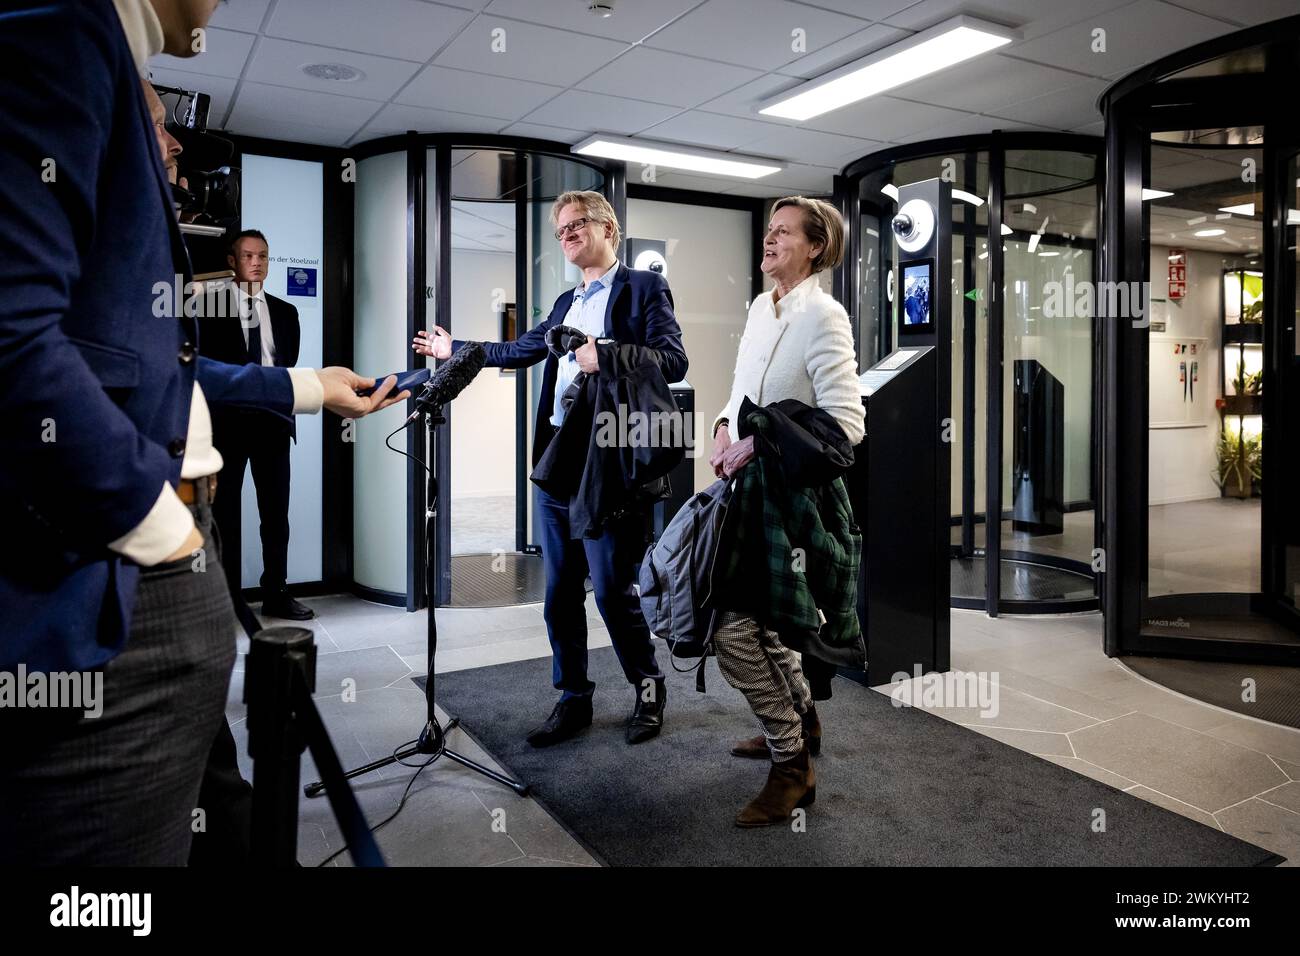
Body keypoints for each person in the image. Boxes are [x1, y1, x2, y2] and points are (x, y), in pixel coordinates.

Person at [0, 0, 407, 865]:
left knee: (214, 805)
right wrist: (166, 531)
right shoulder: (60, 25)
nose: (176, 145)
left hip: (173, 542)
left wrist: (308, 386)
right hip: (116, 568)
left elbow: (156, 371)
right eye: (155, 121)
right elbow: (11, 341)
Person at [413, 191, 688, 748]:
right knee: (560, 591)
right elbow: (520, 350)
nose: (565, 235)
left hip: (610, 459)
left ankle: (649, 687)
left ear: (608, 228)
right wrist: (455, 349)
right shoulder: (564, 302)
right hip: (559, 458)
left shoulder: (643, 289)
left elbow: (674, 360)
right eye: (560, 229)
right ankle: (573, 697)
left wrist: (604, 354)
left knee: (612, 591)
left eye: (575, 225)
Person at [708, 196, 865, 827]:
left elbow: (847, 424)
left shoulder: (825, 316)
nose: (769, 241)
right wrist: (724, 428)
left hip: (793, 502)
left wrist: (761, 440)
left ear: (816, 246)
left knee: (734, 634)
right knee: (764, 629)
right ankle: (800, 722)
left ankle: (792, 766)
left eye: (782, 233)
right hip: (748, 491)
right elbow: (742, 390)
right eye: (768, 231)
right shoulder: (759, 306)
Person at [201, 229, 314, 622]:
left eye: (263, 256)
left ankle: (276, 594)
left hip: (271, 425)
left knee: (275, 516)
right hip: (227, 427)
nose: (256, 263)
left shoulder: (286, 312)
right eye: (248, 256)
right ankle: (227, 598)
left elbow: (284, 368)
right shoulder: (208, 308)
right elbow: (208, 371)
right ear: (232, 261)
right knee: (224, 515)